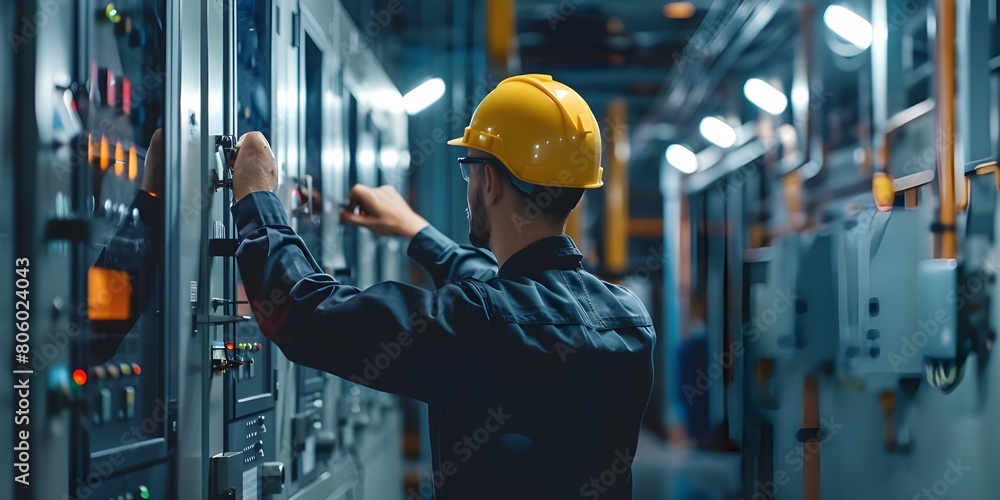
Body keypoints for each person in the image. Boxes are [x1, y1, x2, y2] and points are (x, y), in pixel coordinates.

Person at [230, 74, 655, 499]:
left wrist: (257, 198)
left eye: (469, 171)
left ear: (489, 181)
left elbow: (306, 312)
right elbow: (504, 293)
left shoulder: (482, 323)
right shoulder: (629, 318)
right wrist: (415, 231)